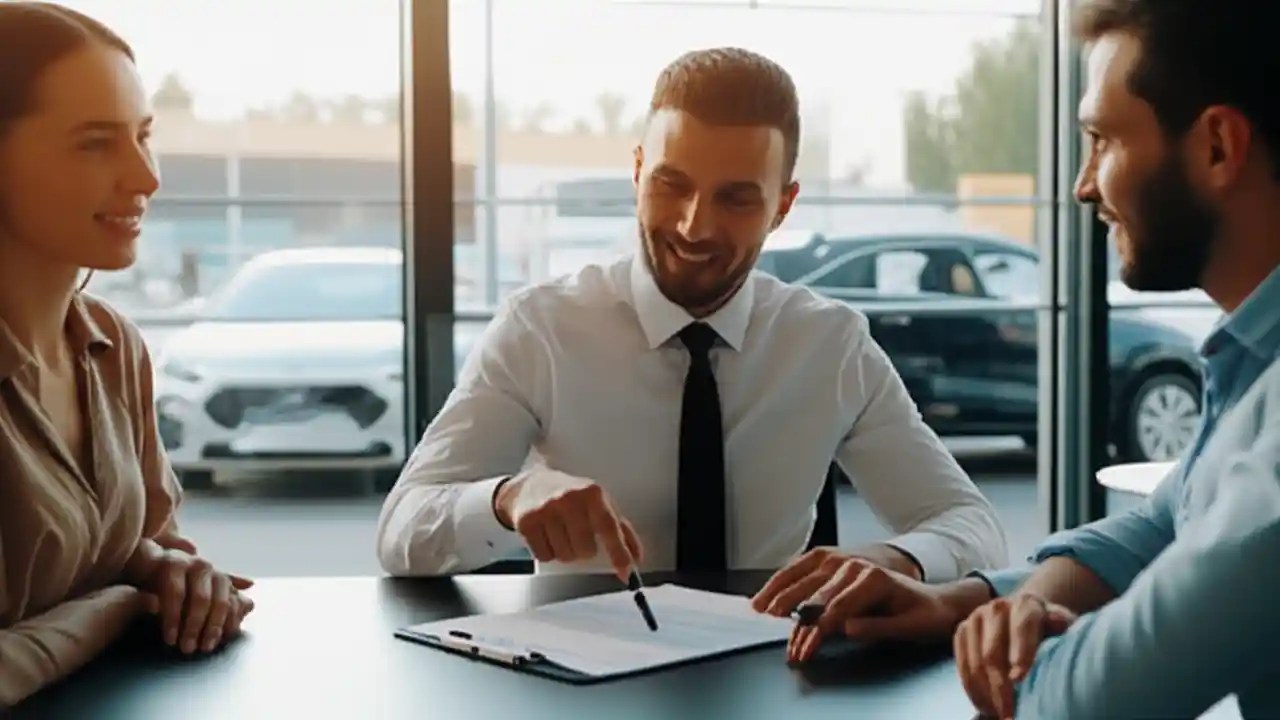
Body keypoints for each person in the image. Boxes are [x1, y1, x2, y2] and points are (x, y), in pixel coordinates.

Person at [770, 2, 1280, 718]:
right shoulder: (1254, 357)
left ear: (1218, 147)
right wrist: (969, 603)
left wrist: (1021, 644)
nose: (1083, 185)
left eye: (1101, 140)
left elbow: (1090, 700)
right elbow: (1157, 528)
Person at [376, 47, 1006, 588]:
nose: (693, 225)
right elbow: (401, 530)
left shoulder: (830, 344)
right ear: (637, 171)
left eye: (735, 198)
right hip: (586, 676)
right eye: (671, 185)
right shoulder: (540, 329)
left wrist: (896, 560)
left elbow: (970, 526)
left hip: (772, 675)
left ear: (783, 206)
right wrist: (507, 499)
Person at [0, 3, 254, 706]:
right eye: (95, 143)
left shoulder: (114, 347)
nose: (144, 177)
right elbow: (113, 594)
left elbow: (148, 548)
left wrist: (175, 576)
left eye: (144, 137)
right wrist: (115, 609)